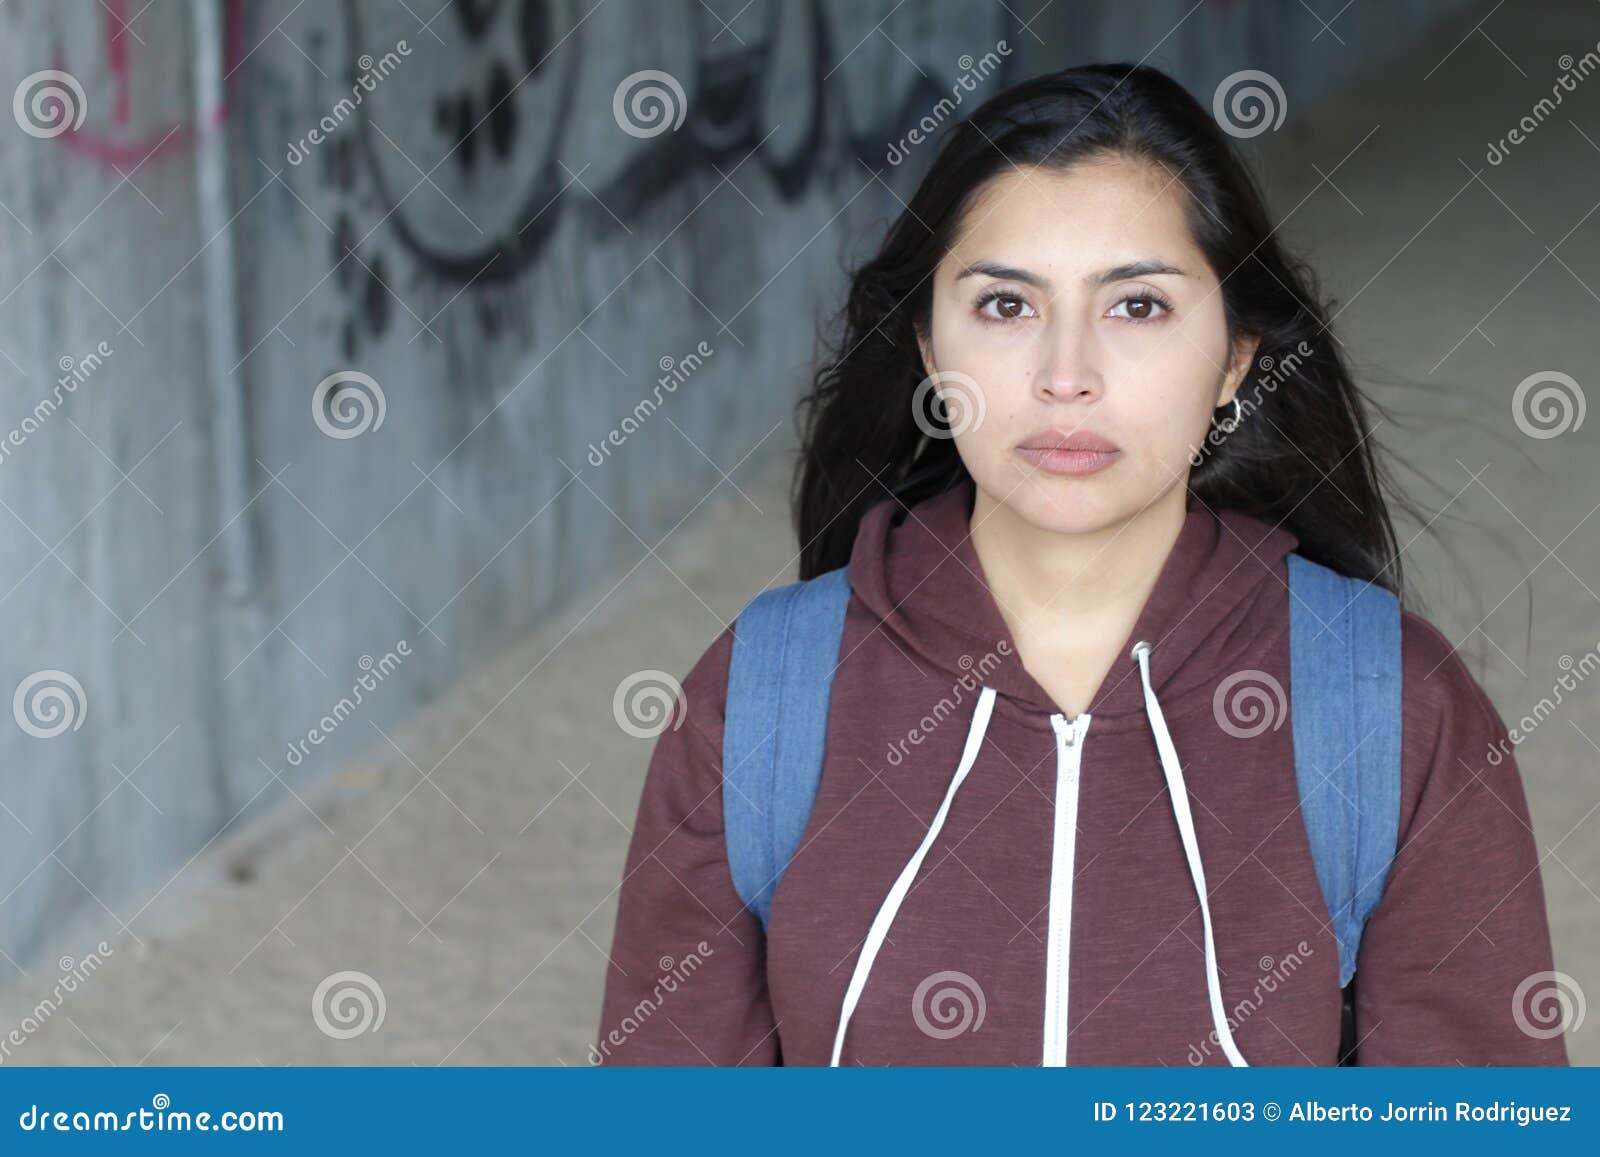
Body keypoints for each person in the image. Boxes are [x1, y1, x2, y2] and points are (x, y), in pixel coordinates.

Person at [593, 61, 1569, 1066]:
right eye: (1006, 307)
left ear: (1234, 356)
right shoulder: (760, 701)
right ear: (931, 350)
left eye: (1136, 306)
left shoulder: (1391, 709)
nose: (1067, 376)